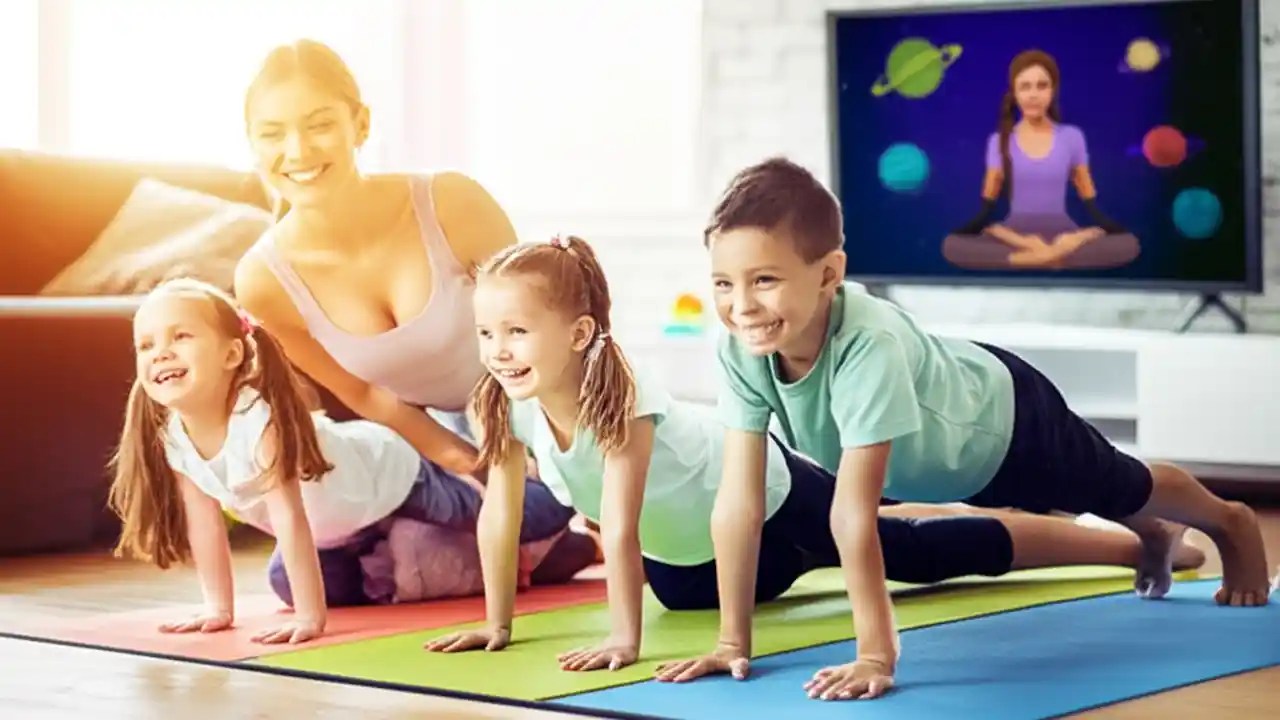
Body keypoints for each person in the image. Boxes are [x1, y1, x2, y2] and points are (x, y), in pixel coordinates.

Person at [420, 235, 1206, 678]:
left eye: (517, 333)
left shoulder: (624, 398)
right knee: (706, 592)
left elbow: (617, 528)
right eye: (488, 333)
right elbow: (501, 513)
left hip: (767, 494)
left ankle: (1126, 539)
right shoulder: (505, 404)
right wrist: (497, 625)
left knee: (909, 550)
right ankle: (855, 534)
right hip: (694, 563)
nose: (499, 351)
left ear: (580, 334)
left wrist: (625, 642)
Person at [700, 156, 1270, 701]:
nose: (742, 305)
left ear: (829, 274)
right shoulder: (745, 351)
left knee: (1117, 485)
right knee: (1093, 495)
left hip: (1004, 421)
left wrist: (875, 656)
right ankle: (1156, 534)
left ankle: (1228, 520)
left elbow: (852, 513)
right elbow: (740, 502)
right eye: (724, 283)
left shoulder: (867, 345)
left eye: (764, 280)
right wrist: (731, 643)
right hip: (953, 466)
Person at [229, 39, 596, 581]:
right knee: (297, 578)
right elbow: (366, 395)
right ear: (252, 145)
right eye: (272, 133)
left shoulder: (451, 203)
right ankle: (540, 550)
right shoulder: (263, 280)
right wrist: (467, 467)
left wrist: (578, 466)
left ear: (361, 124)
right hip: (424, 447)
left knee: (542, 500)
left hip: (530, 415)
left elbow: (544, 326)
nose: (299, 151)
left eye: (319, 124)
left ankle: (536, 534)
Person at [107, 279, 594, 644]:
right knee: (284, 582)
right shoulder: (172, 435)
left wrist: (310, 620)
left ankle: (539, 466)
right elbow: (204, 522)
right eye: (146, 344)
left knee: (521, 518)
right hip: (345, 526)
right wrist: (218, 608)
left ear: (234, 353)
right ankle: (574, 551)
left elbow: (292, 522)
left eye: (180, 337)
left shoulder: (259, 424)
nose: (160, 353)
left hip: (396, 476)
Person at [944, 48, 1139, 271]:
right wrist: (1020, 240)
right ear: (1014, 93)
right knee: (952, 245)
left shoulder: (1072, 136)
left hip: (1065, 233)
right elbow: (985, 211)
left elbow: (1092, 207)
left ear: (1053, 90)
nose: (1033, 94)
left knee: (1128, 244)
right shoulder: (998, 140)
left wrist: (1079, 237)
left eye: (1042, 85)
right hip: (1015, 236)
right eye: (1025, 87)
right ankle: (1052, 257)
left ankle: (1035, 258)